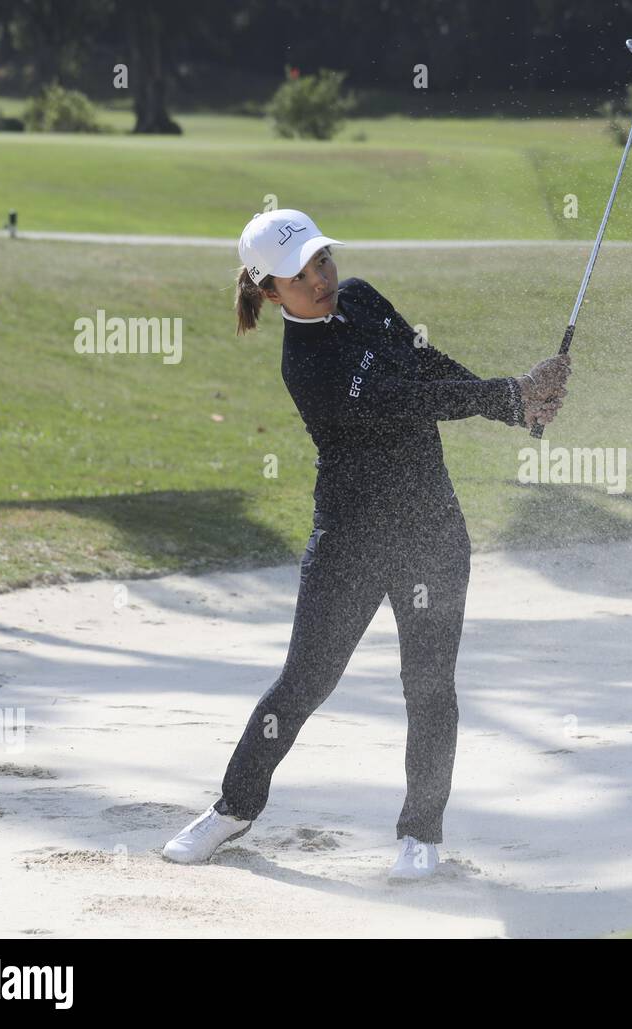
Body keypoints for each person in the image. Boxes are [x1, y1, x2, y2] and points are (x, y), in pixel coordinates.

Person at [162, 208, 570, 880]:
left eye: (323, 260)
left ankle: (421, 833)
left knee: (429, 684)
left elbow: (426, 364)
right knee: (303, 682)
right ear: (271, 292)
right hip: (350, 539)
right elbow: (404, 398)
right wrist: (508, 391)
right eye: (301, 273)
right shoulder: (307, 365)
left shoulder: (363, 299)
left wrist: (515, 403)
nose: (321, 277)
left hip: (431, 529)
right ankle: (233, 808)